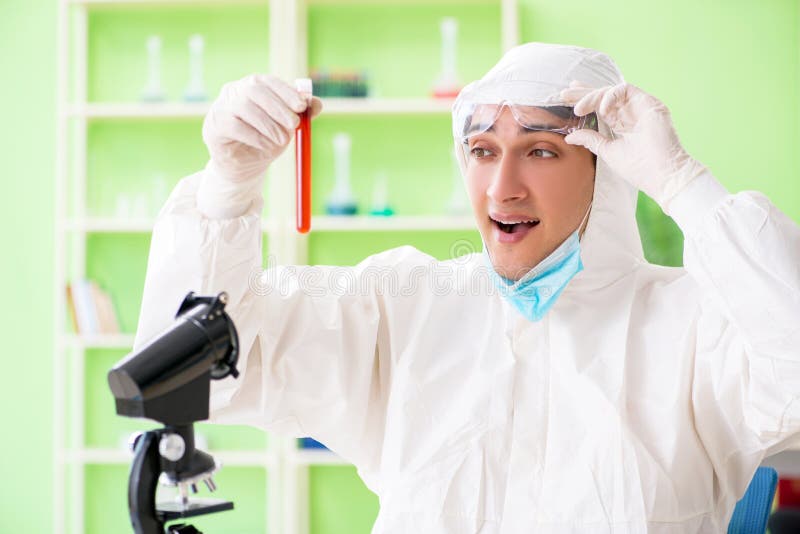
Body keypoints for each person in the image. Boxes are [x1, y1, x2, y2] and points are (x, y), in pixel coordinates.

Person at [133, 43, 800, 532]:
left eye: (541, 150)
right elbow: (194, 373)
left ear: (608, 170)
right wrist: (226, 189)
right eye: (482, 150)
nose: (502, 187)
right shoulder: (408, 305)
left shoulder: (689, 326)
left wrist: (681, 181)